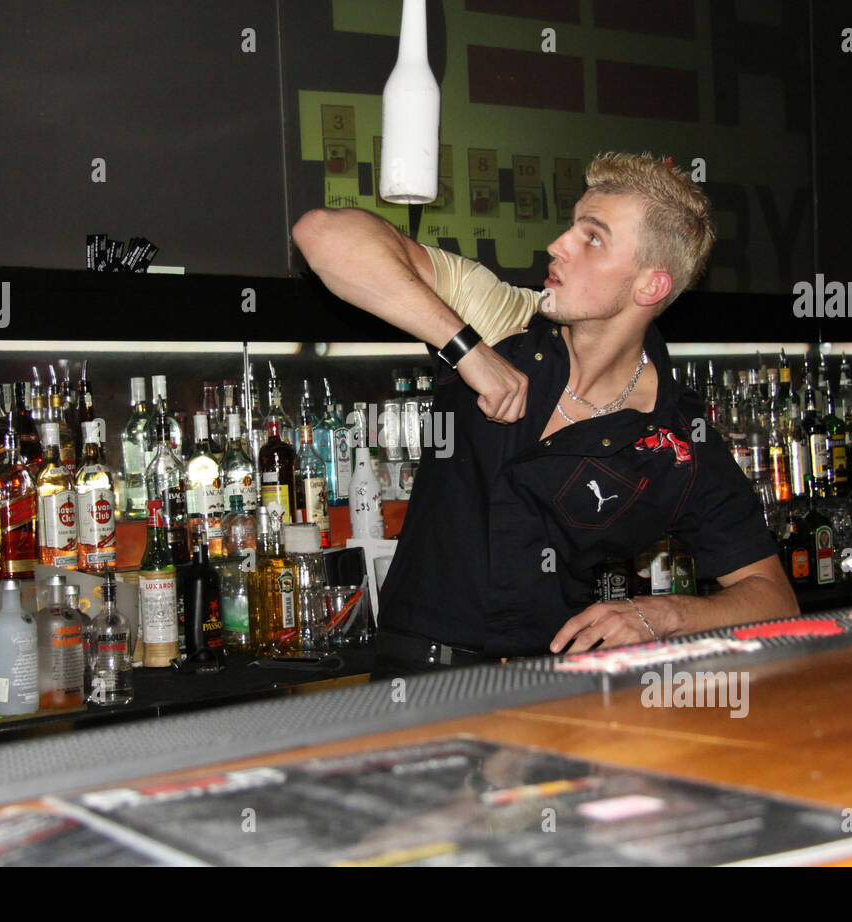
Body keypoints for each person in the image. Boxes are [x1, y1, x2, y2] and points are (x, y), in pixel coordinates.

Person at [293, 152, 798, 663]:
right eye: (571, 228)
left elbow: (774, 598)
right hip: (414, 686)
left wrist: (660, 616)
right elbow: (322, 234)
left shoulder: (677, 439)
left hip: (549, 693)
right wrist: (465, 348)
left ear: (651, 285)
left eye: (592, 238)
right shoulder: (503, 320)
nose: (558, 245)